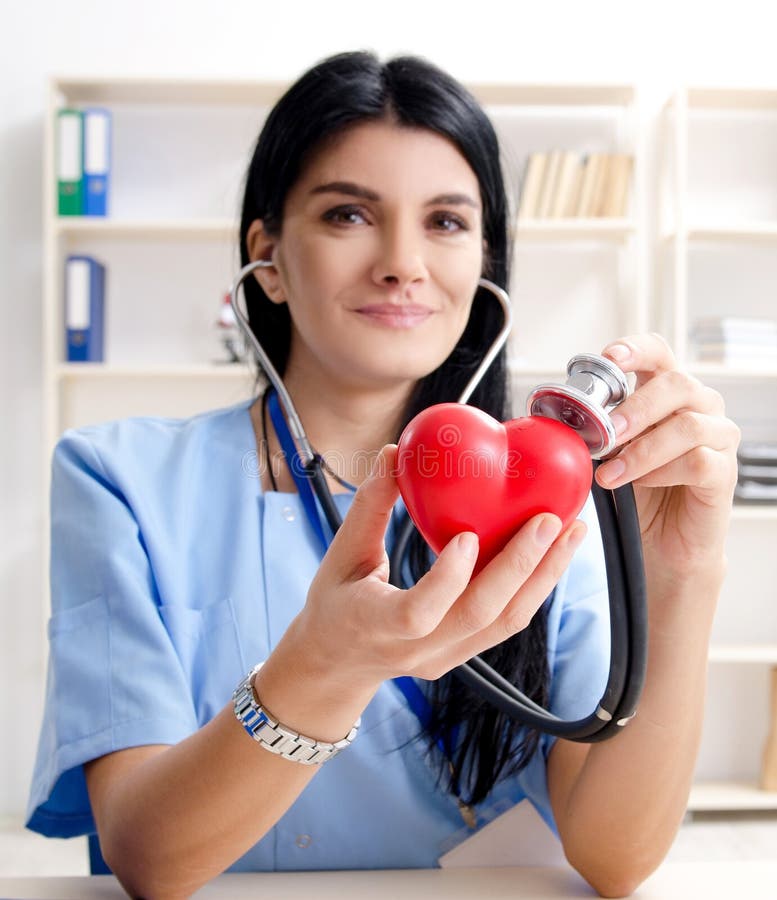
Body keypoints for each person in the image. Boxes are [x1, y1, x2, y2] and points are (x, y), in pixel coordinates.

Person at [27, 51, 739, 899]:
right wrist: (327, 663)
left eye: (444, 222)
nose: (402, 262)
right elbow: (149, 857)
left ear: (483, 267)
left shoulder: (551, 484)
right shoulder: (119, 479)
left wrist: (683, 573)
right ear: (269, 257)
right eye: (347, 215)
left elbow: (614, 858)